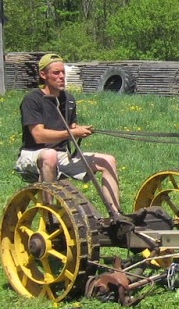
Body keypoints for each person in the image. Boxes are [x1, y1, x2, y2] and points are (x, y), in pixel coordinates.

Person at [15, 53, 121, 214]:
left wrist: (80, 131)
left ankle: (116, 215)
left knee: (108, 160)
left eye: (63, 72)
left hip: (62, 155)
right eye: (56, 73)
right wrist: (72, 132)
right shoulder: (32, 100)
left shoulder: (69, 99)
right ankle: (49, 213)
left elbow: (71, 127)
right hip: (33, 154)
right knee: (50, 155)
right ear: (43, 75)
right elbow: (38, 135)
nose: (62, 76)